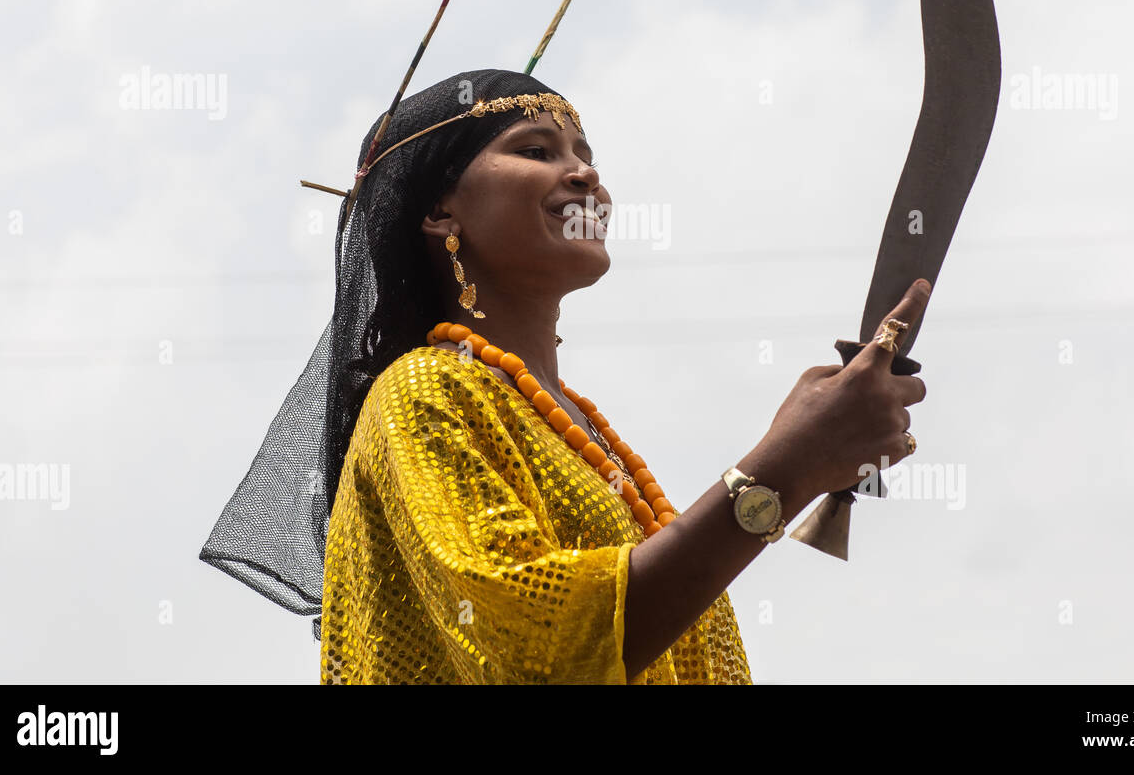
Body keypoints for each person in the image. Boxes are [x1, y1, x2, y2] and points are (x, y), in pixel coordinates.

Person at [201, 68, 930, 684]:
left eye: (584, 151)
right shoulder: (424, 393)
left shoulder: (580, 431)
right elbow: (541, 654)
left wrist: (807, 452)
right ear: (437, 208)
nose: (585, 172)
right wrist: (789, 464)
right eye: (536, 150)